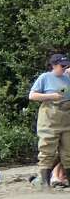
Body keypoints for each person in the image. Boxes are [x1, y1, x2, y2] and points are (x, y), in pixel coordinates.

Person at [28, 52, 70, 189]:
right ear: (53, 65)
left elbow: (64, 92)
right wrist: (51, 96)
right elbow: (32, 95)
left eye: (66, 65)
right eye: (61, 65)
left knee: (68, 151)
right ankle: (44, 184)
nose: (64, 68)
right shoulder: (45, 77)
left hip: (66, 117)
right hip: (49, 117)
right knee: (47, 150)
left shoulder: (67, 78)